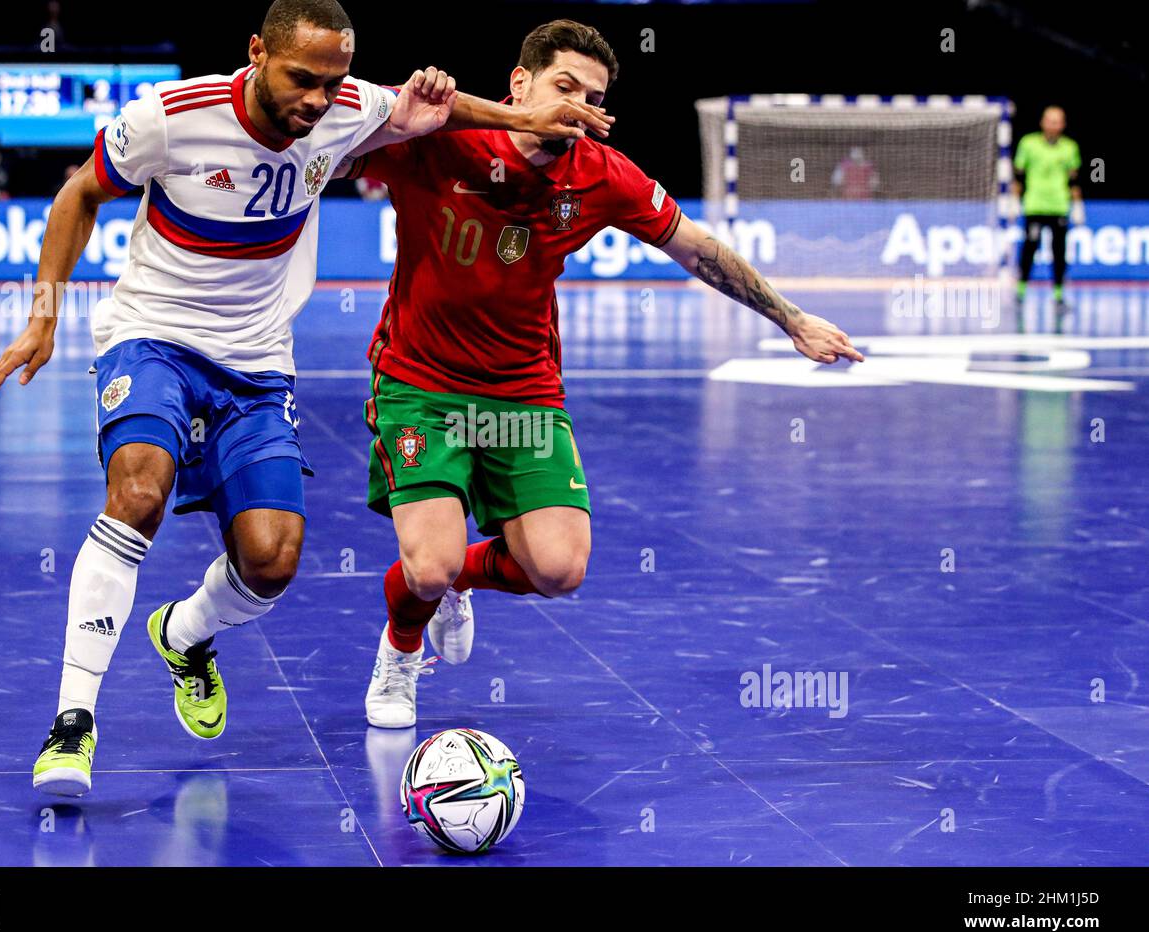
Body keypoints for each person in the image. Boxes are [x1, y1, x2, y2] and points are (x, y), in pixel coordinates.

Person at [0, 0, 612, 797]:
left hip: (257, 363)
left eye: (333, 82)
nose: (316, 99)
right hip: (152, 335)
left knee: (270, 562)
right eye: (301, 79)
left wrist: (529, 111)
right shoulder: (170, 117)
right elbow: (79, 195)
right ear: (256, 54)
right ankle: (72, 726)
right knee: (138, 491)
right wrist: (43, 318)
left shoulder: (346, 110)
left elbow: (440, 111)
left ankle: (185, 634)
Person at [341, 19, 864, 728]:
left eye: (594, 96)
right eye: (565, 87)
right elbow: (325, 140)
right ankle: (402, 652)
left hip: (522, 392)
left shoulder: (599, 175)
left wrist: (791, 319)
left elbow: (698, 249)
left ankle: (459, 580)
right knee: (423, 569)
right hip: (421, 386)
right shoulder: (438, 138)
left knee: (557, 570)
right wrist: (399, 105)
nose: (580, 108)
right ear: (519, 82)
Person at [1012, 106, 1083, 307]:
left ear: (1063, 124)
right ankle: (1020, 292)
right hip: (1034, 205)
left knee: (1059, 253)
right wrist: (1014, 199)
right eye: (1050, 120)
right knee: (1029, 250)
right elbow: (1019, 173)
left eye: (1057, 121)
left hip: (1059, 206)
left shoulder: (1070, 147)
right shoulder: (1028, 143)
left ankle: (1059, 295)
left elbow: (1074, 180)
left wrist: (1077, 205)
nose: (1053, 125)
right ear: (1042, 122)